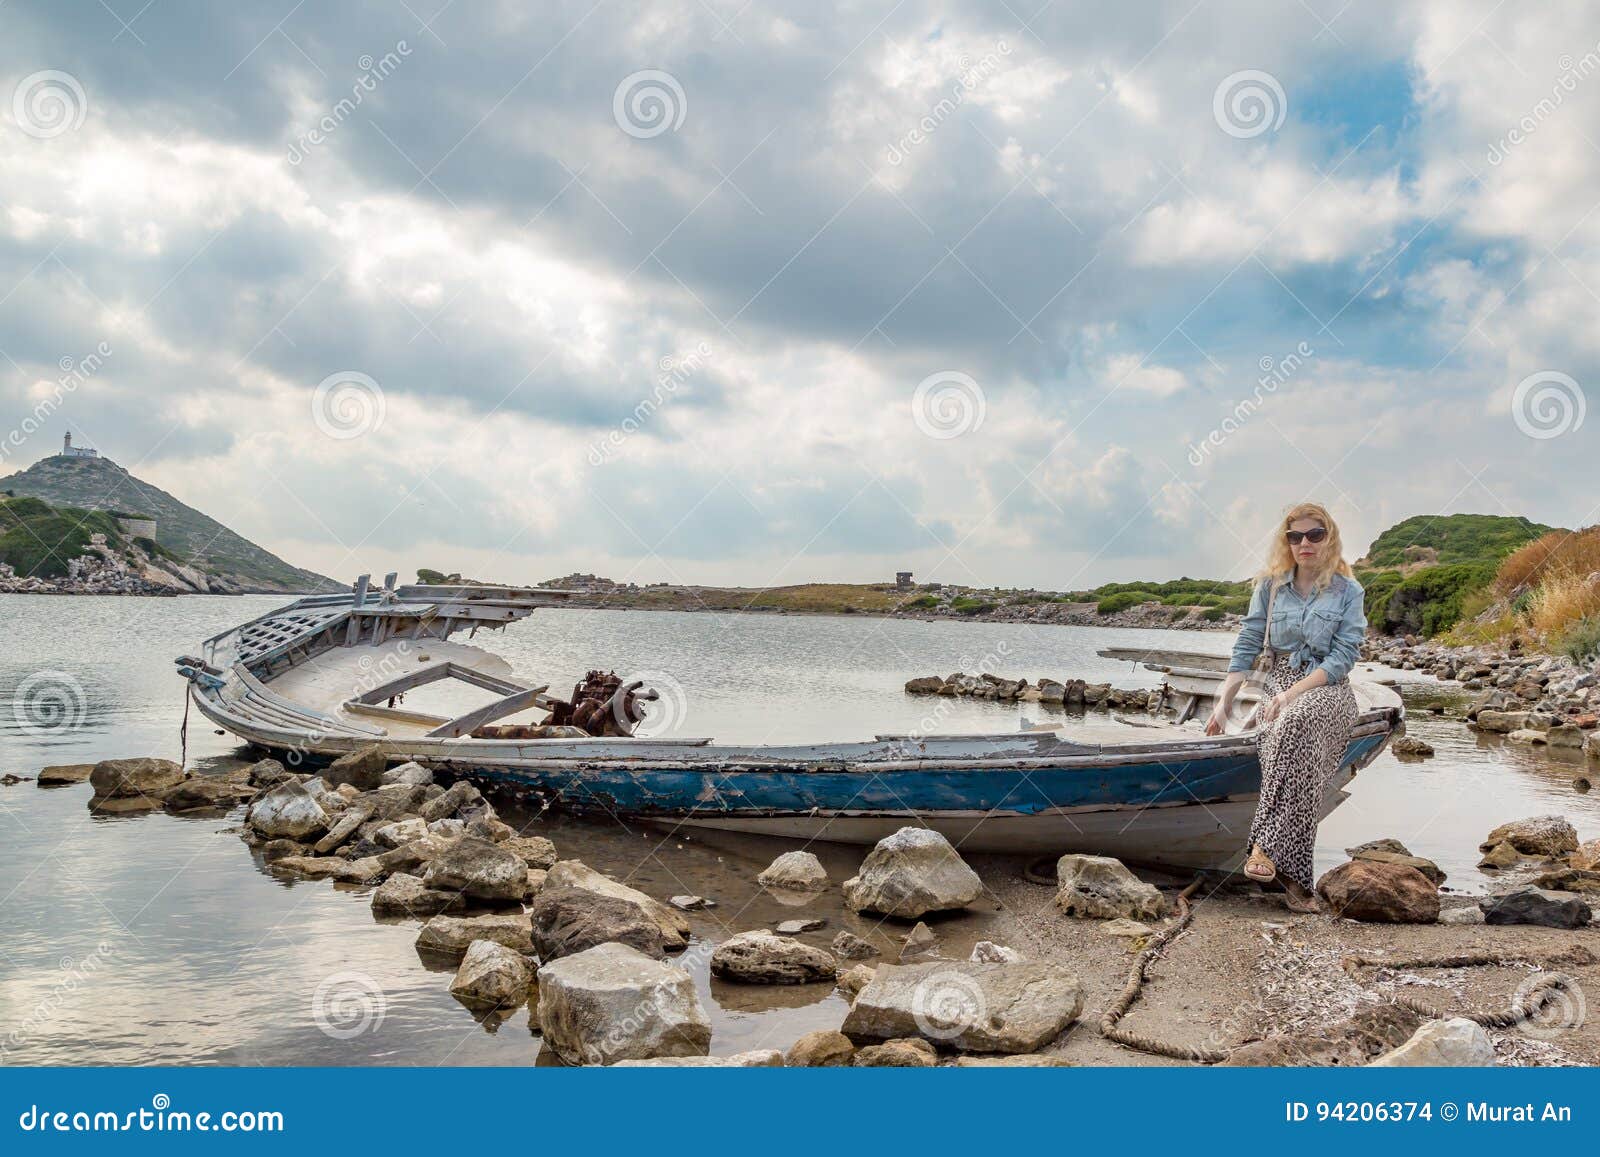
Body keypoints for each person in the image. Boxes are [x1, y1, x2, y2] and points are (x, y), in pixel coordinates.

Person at [1204, 502, 1367, 912]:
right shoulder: (1271, 587)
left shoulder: (1349, 591)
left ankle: (1262, 845)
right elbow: (1246, 644)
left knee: (1292, 721)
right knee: (1301, 753)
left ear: (1329, 537)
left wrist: (1290, 696)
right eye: (1295, 537)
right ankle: (1296, 882)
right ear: (1286, 541)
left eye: (1314, 535)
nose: (1304, 544)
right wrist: (1222, 704)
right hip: (1278, 682)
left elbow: (1343, 657)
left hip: (1327, 688)